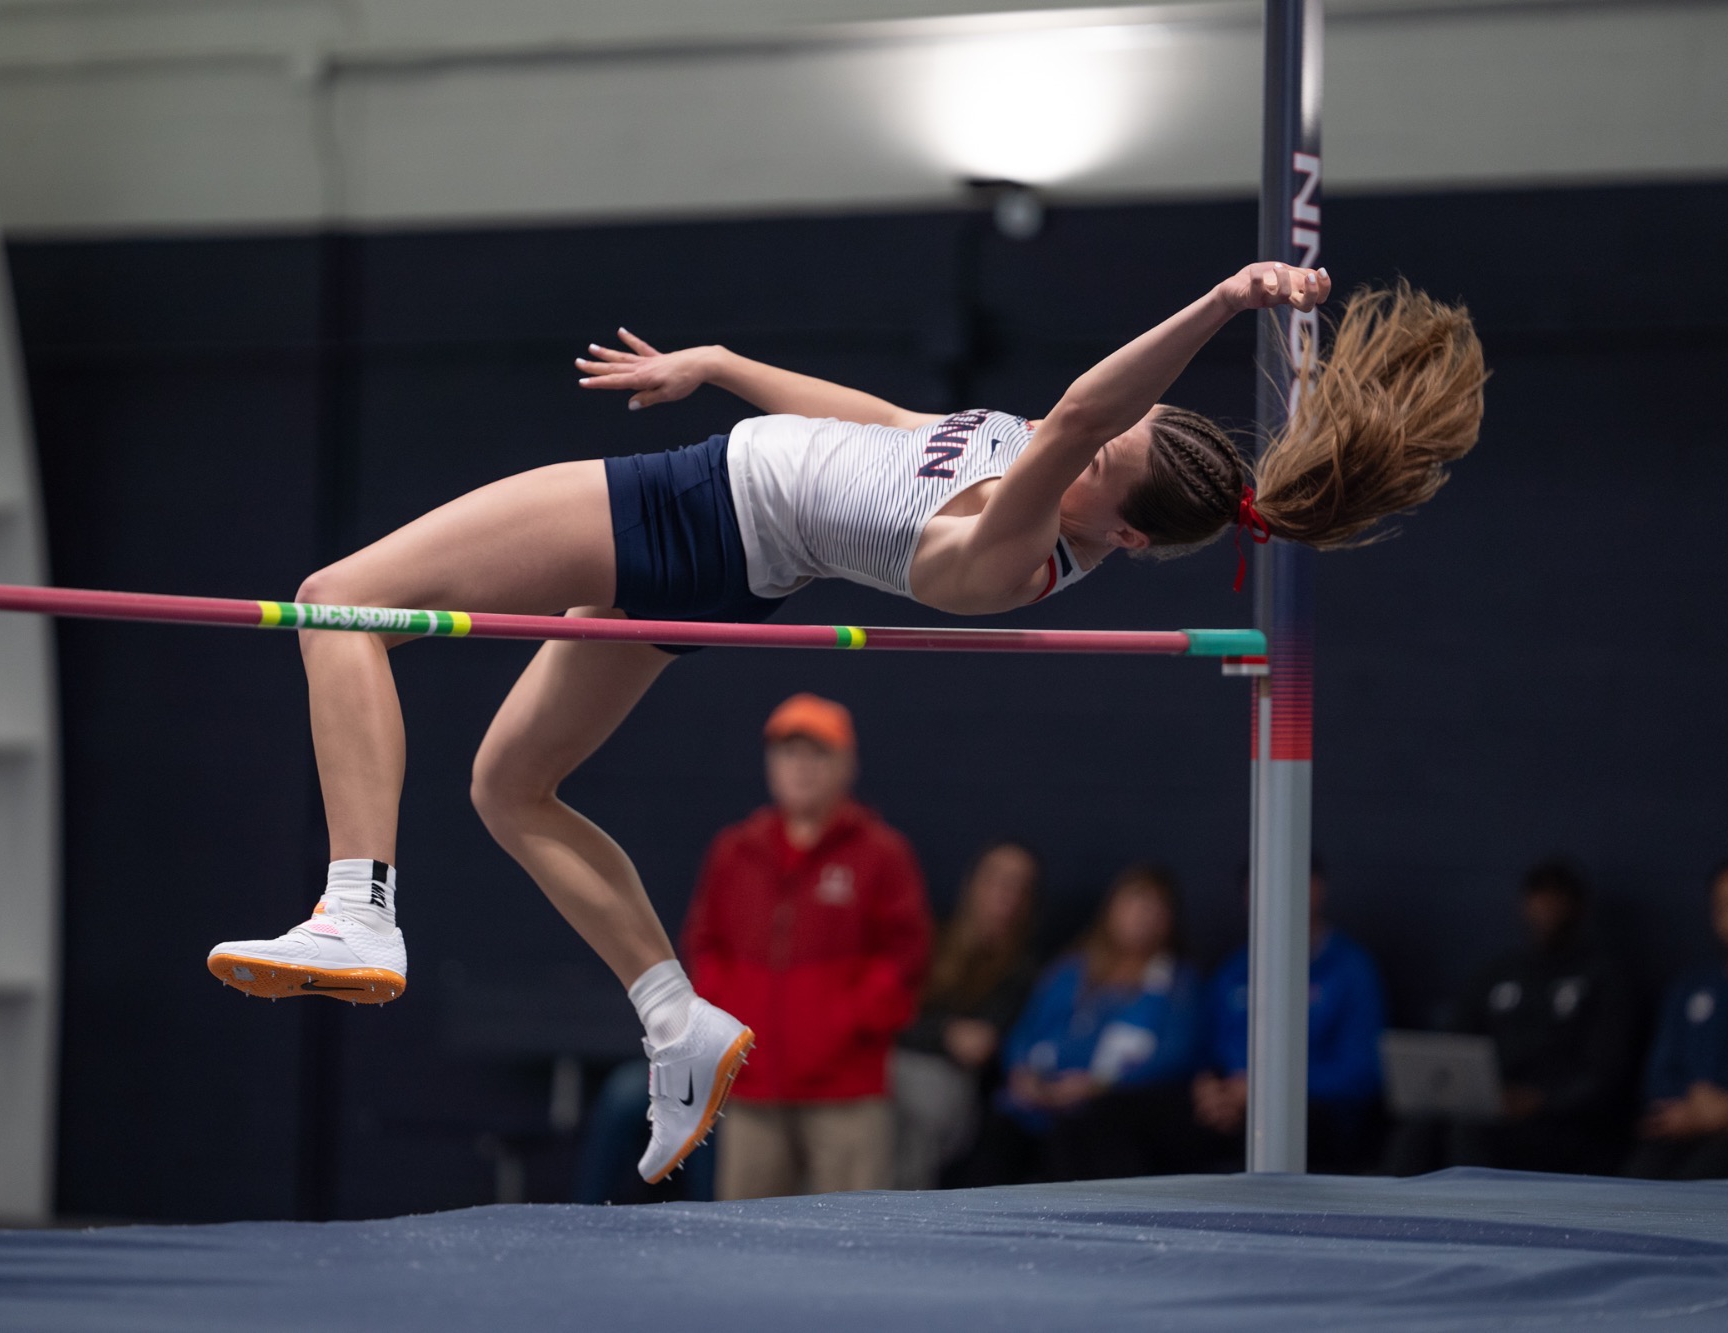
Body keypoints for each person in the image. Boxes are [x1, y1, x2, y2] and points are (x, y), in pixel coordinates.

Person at [203, 260, 1484, 1181]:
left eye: (1101, 463)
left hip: (686, 515)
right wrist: (718, 367)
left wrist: (1221, 304)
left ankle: (358, 906)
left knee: (336, 602)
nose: (1073, 438)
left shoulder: (1016, 545)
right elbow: (877, 426)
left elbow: (1090, 412)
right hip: (715, 549)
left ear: (1124, 532)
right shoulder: (1024, 451)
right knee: (509, 787)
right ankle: (675, 1020)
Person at [679, 694, 931, 1199]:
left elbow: (908, 954)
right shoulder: (736, 851)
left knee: (851, 1246)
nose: (801, 767)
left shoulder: (881, 853)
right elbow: (705, 944)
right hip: (753, 1089)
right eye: (788, 753)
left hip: (846, 1090)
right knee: (747, 1243)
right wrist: (731, 1019)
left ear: (846, 765)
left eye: (817, 753)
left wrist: (849, 1019)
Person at [953, 864, 1200, 1185]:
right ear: (1111, 908)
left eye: (1154, 907)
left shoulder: (1178, 984)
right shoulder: (1069, 970)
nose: (1142, 916)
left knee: (1082, 1129)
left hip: (1107, 1105)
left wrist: (1096, 1085)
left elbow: (1177, 1055)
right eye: (1134, 903)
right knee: (997, 1132)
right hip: (1036, 1100)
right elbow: (1024, 1032)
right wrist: (1023, 1075)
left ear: (1170, 919)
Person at [1385, 860, 1635, 1176]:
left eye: (1556, 898)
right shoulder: (1498, 974)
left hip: (1562, 1122)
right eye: (1538, 897)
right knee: (1420, 1125)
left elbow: (1606, 1075)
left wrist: (1541, 1100)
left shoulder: (1605, 978)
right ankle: (1385, 1211)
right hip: (1491, 1102)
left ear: (1579, 907)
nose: (1546, 909)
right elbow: (1455, 1043)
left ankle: (1477, 1219)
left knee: (1470, 1131)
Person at [1198, 864, 1386, 1171]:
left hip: (1315, 1113)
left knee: (1289, 1126)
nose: (1274, 898)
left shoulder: (1351, 969)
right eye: (1260, 886)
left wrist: (1267, 1089)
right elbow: (1208, 1048)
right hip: (1234, 1105)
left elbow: (1363, 1073)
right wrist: (1208, 1086)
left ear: (1317, 889)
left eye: (1289, 884)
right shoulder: (1235, 969)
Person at [891, 841, 1041, 1190]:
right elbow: (891, 1016)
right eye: (998, 880)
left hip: (952, 1085)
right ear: (973, 883)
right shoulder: (931, 940)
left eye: (1020, 885)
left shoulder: (1023, 970)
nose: (1007, 894)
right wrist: (944, 1033)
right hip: (894, 1062)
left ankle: (897, 1214)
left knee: (921, 1099)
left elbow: (979, 1046)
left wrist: (937, 1034)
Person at [1624, 858, 1728, 1181]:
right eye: (1725, 906)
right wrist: (1696, 1104)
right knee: (1633, 1184)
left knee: (1702, 1182)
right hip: (1685, 1126)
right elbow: (1659, 1074)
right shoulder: (1692, 988)